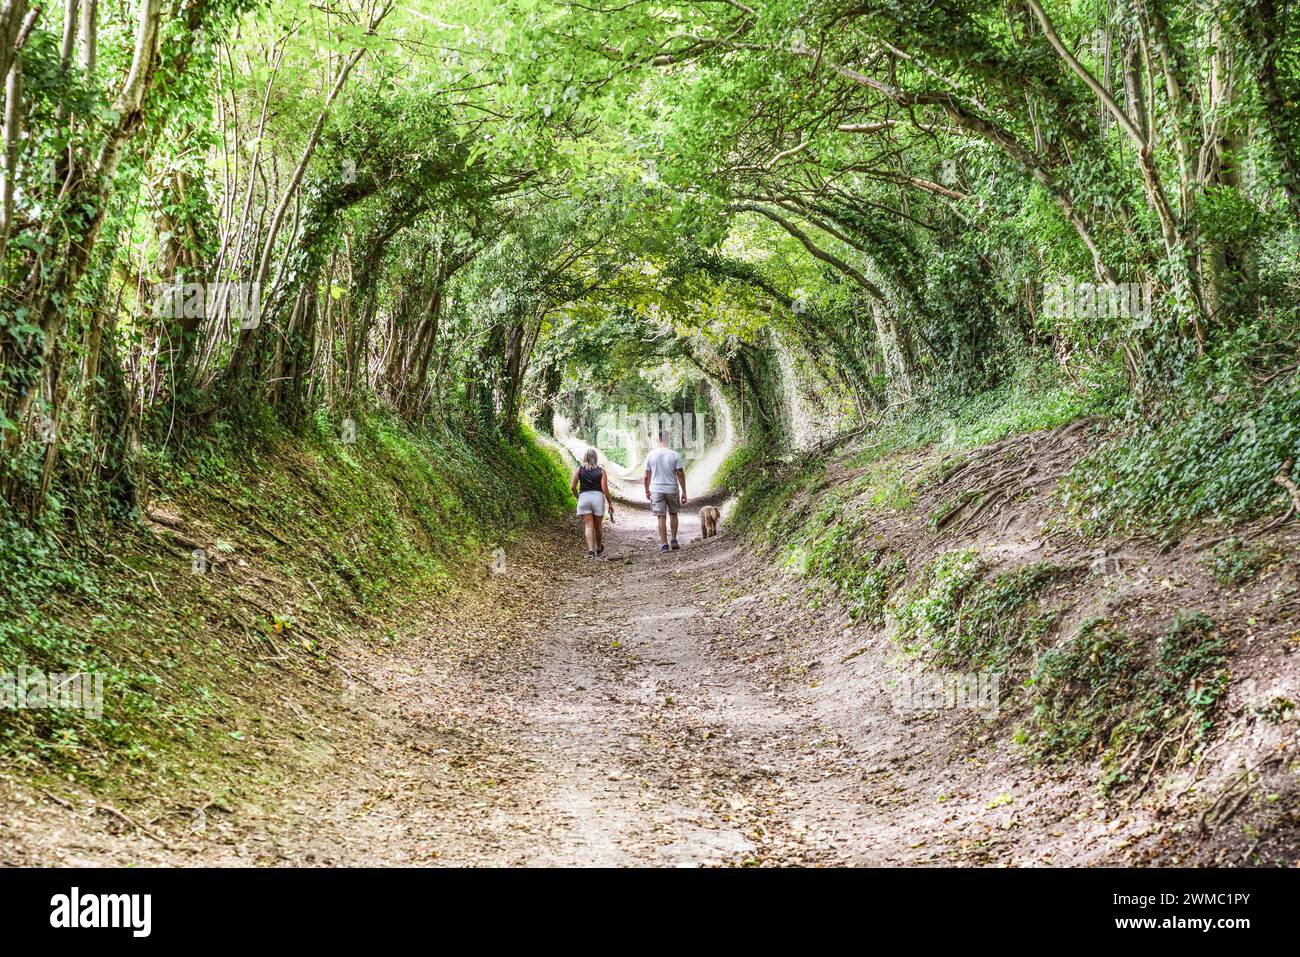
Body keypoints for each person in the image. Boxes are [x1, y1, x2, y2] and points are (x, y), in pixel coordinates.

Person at [643, 430, 687, 552]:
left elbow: (646, 475)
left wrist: (647, 490)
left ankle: (664, 544)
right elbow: (680, 474)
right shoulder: (675, 455)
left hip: (656, 490)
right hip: (672, 488)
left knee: (661, 516)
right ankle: (673, 539)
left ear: (658, 440)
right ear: (668, 439)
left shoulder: (651, 455)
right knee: (673, 513)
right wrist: (684, 491)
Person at [571, 448, 614, 559]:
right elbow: (604, 489)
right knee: (597, 526)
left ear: (585, 457)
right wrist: (610, 503)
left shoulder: (579, 470)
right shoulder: (601, 471)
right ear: (595, 458)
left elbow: (573, 486)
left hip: (584, 497)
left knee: (588, 526)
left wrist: (577, 497)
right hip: (597, 498)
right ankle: (599, 548)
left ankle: (590, 551)